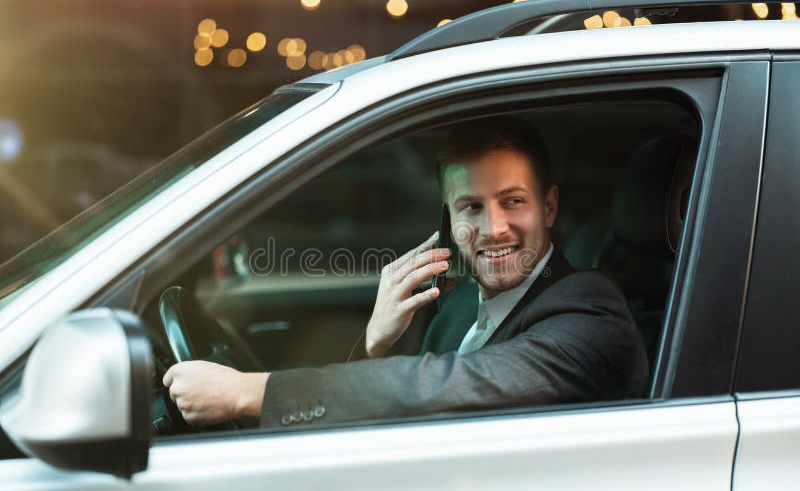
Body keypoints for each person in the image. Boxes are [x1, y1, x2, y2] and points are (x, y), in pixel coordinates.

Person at [163, 116, 649, 428]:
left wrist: (249, 392)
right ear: (449, 223)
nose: (494, 228)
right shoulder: (456, 307)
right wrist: (375, 343)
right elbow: (389, 407)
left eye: (513, 202)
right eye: (471, 208)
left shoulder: (592, 314)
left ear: (549, 207)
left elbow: (443, 386)